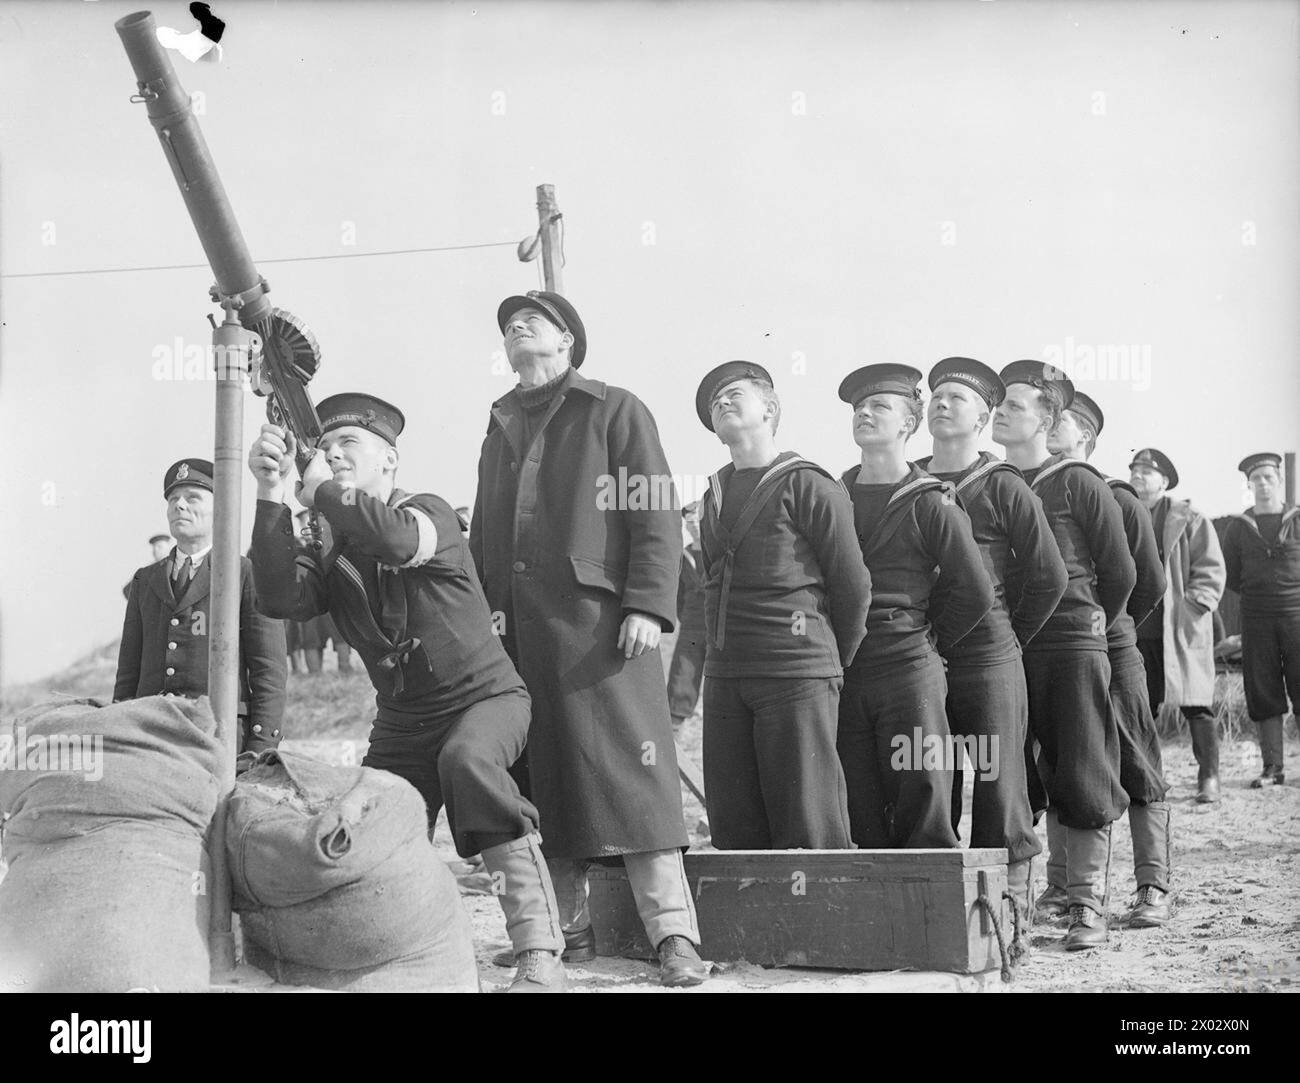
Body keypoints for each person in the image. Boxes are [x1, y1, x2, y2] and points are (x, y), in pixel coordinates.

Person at [248, 393, 568, 993]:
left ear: (389, 463)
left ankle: (539, 949)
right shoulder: (331, 545)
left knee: (469, 762)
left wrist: (317, 490)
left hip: (487, 700)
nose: (335, 455)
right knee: (370, 820)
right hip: (402, 722)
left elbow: (396, 542)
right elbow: (278, 599)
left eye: (351, 446)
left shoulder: (428, 511)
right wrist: (269, 491)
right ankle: (402, 949)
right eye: (328, 446)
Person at [470, 291, 708, 987]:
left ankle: (675, 938)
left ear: (567, 341)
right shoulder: (500, 421)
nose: (516, 328)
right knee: (543, 777)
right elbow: (487, 529)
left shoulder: (613, 407)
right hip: (520, 632)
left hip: (604, 629)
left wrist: (647, 605)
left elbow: (655, 513)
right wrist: (488, 613)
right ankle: (566, 932)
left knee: (636, 779)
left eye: (531, 321)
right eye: (508, 324)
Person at [694, 361, 870, 849]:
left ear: (769, 409)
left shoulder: (809, 484)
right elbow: (709, 587)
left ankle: (826, 925)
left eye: (733, 395)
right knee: (736, 824)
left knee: (808, 821)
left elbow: (852, 584)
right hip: (728, 677)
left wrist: (828, 663)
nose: (722, 404)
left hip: (796, 673)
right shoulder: (711, 496)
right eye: (714, 403)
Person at [993, 362, 1135, 951]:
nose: (1000, 412)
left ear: (1047, 421)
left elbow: (1123, 573)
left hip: (1073, 645)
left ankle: (1087, 904)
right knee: (1016, 774)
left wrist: (1089, 625)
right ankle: (1021, 901)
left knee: (1082, 767)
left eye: (1015, 406)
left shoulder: (1079, 482)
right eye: (997, 405)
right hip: (1006, 649)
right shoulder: (989, 482)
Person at [917, 358, 1067, 913]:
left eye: (957, 398)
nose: (942, 404)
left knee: (998, 782)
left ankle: (1009, 908)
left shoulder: (1003, 486)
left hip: (987, 659)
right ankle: (939, 901)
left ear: (983, 416)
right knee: (927, 778)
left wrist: (1011, 641)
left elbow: (1048, 575)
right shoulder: (908, 482)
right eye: (935, 396)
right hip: (919, 656)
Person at [836, 363, 993, 850]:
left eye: (879, 406)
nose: (864, 413)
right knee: (858, 803)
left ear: (908, 423)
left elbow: (975, 590)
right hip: (847, 670)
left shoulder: (931, 500)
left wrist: (928, 641)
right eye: (859, 407)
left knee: (922, 798)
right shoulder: (833, 493)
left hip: (909, 671)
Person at [1049, 394, 1173, 929]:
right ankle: (1061, 887)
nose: (1049, 427)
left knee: (1138, 764)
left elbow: (1148, 580)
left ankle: (1153, 886)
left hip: (1114, 648)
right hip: (1058, 651)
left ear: (1086, 440)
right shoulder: (1030, 490)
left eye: (1062, 422)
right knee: (1064, 765)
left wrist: (1109, 626)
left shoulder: (1114, 496)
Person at [115, 459, 287, 769]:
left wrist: (260, 746)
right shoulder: (144, 579)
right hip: (150, 736)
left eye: (193, 498)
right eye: (173, 500)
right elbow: (128, 671)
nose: (179, 506)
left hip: (218, 737)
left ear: (219, 509)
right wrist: (120, 731)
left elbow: (268, 669)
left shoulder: (244, 573)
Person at [1129, 448, 1226, 804]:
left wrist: (1194, 604)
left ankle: (1209, 777)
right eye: (1134, 470)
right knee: (1141, 706)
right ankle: (1147, 777)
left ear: (1164, 481)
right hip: (1137, 631)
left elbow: (1211, 568)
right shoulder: (1124, 513)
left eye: (1146, 471)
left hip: (1180, 630)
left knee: (1197, 705)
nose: (1138, 476)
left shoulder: (1190, 518)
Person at [1221, 452, 1300, 788]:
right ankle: (1272, 768)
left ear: (1279, 480)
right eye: (1257, 479)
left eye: (1269, 477)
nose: (1263, 484)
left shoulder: (1297, 519)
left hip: (1297, 616)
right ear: (1249, 485)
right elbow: (1231, 575)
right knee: (1263, 690)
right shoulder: (1239, 527)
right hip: (1256, 619)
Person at [667, 501, 707, 730]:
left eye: (697, 522)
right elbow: (679, 595)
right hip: (692, 622)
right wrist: (688, 619)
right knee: (684, 669)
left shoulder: (722, 553)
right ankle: (675, 723)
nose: (693, 526)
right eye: (689, 522)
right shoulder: (685, 555)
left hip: (721, 624)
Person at [123, 534, 175, 599]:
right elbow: (128, 590)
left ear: (169, 549)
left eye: (159, 547)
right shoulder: (146, 571)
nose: (155, 550)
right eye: (154, 547)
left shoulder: (178, 567)